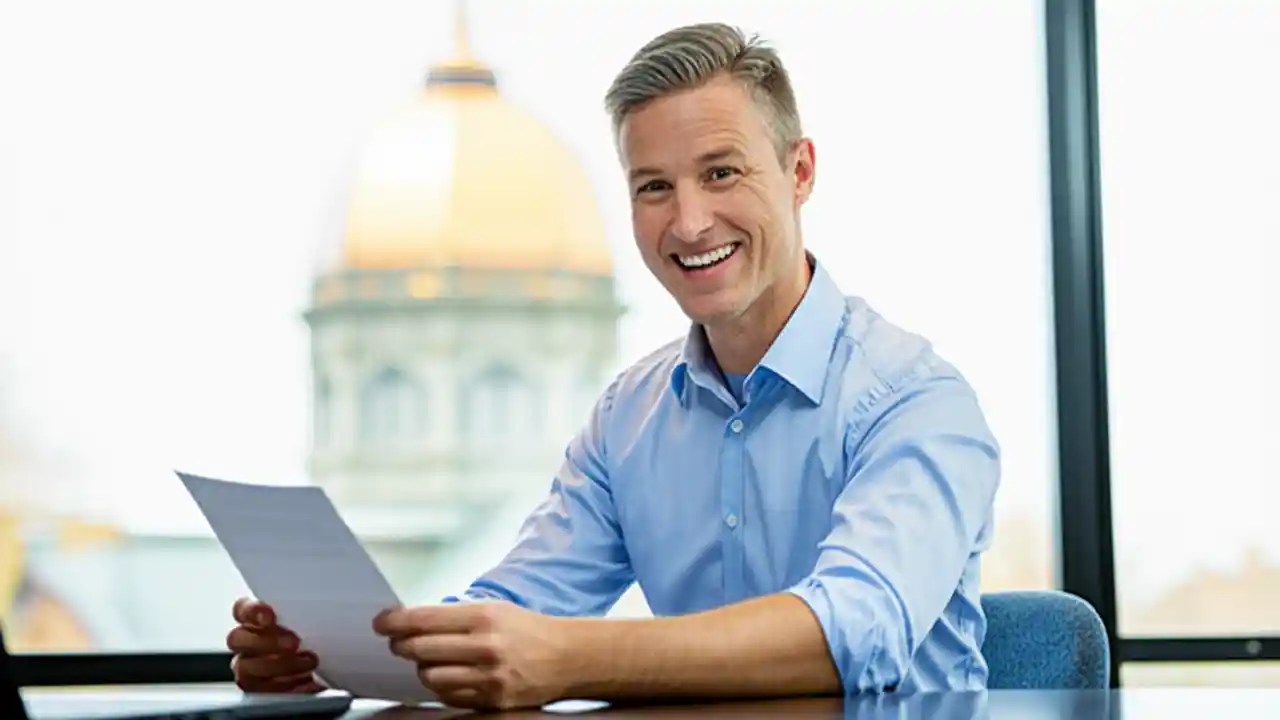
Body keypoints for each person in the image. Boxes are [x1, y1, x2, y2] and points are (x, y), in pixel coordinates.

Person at [226, 22, 1000, 710]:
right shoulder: (629, 418)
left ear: (799, 172)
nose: (690, 221)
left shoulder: (916, 401)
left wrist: (566, 659)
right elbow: (518, 603)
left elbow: (854, 629)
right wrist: (353, 651)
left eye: (721, 173)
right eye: (654, 187)